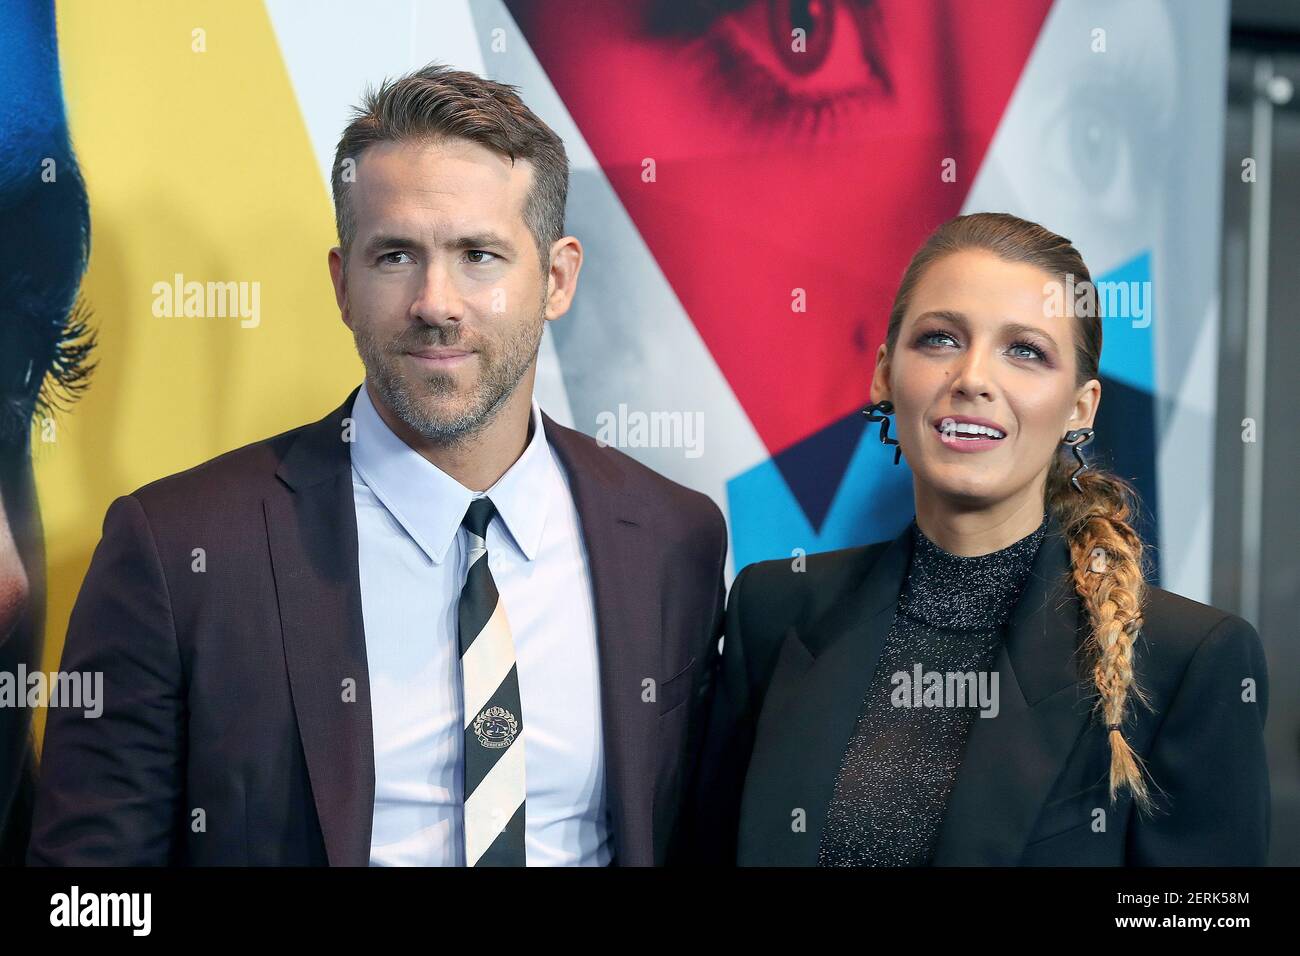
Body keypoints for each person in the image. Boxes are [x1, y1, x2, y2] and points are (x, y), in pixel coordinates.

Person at [28, 64, 726, 866]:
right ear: (342, 283)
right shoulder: (180, 550)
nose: (436, 301)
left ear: (558, 278)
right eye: (395, 255)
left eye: (480, 255)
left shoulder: (674, 540)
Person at [695, 212, 1269, 866]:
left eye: (1025, 350)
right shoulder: (772, 611)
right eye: (940, 339)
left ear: (1080, 408)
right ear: (885, 374)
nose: (972, 378)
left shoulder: (1185, 661)